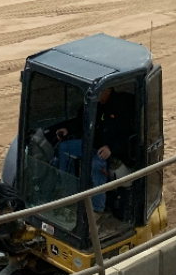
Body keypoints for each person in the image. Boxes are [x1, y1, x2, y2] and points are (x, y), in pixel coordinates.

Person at [53, 85, 137, 213]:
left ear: (108, 90)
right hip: (91, 145)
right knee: (65, 148)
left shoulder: (121, 106)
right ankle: (68, 195)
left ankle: (97, 210)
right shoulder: (94, 103)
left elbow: (129, 136)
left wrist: (111, 148)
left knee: (97, 165)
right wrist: (68, 129)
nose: (95, 95)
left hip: (108, 152)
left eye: (99, 92)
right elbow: (82, 120)